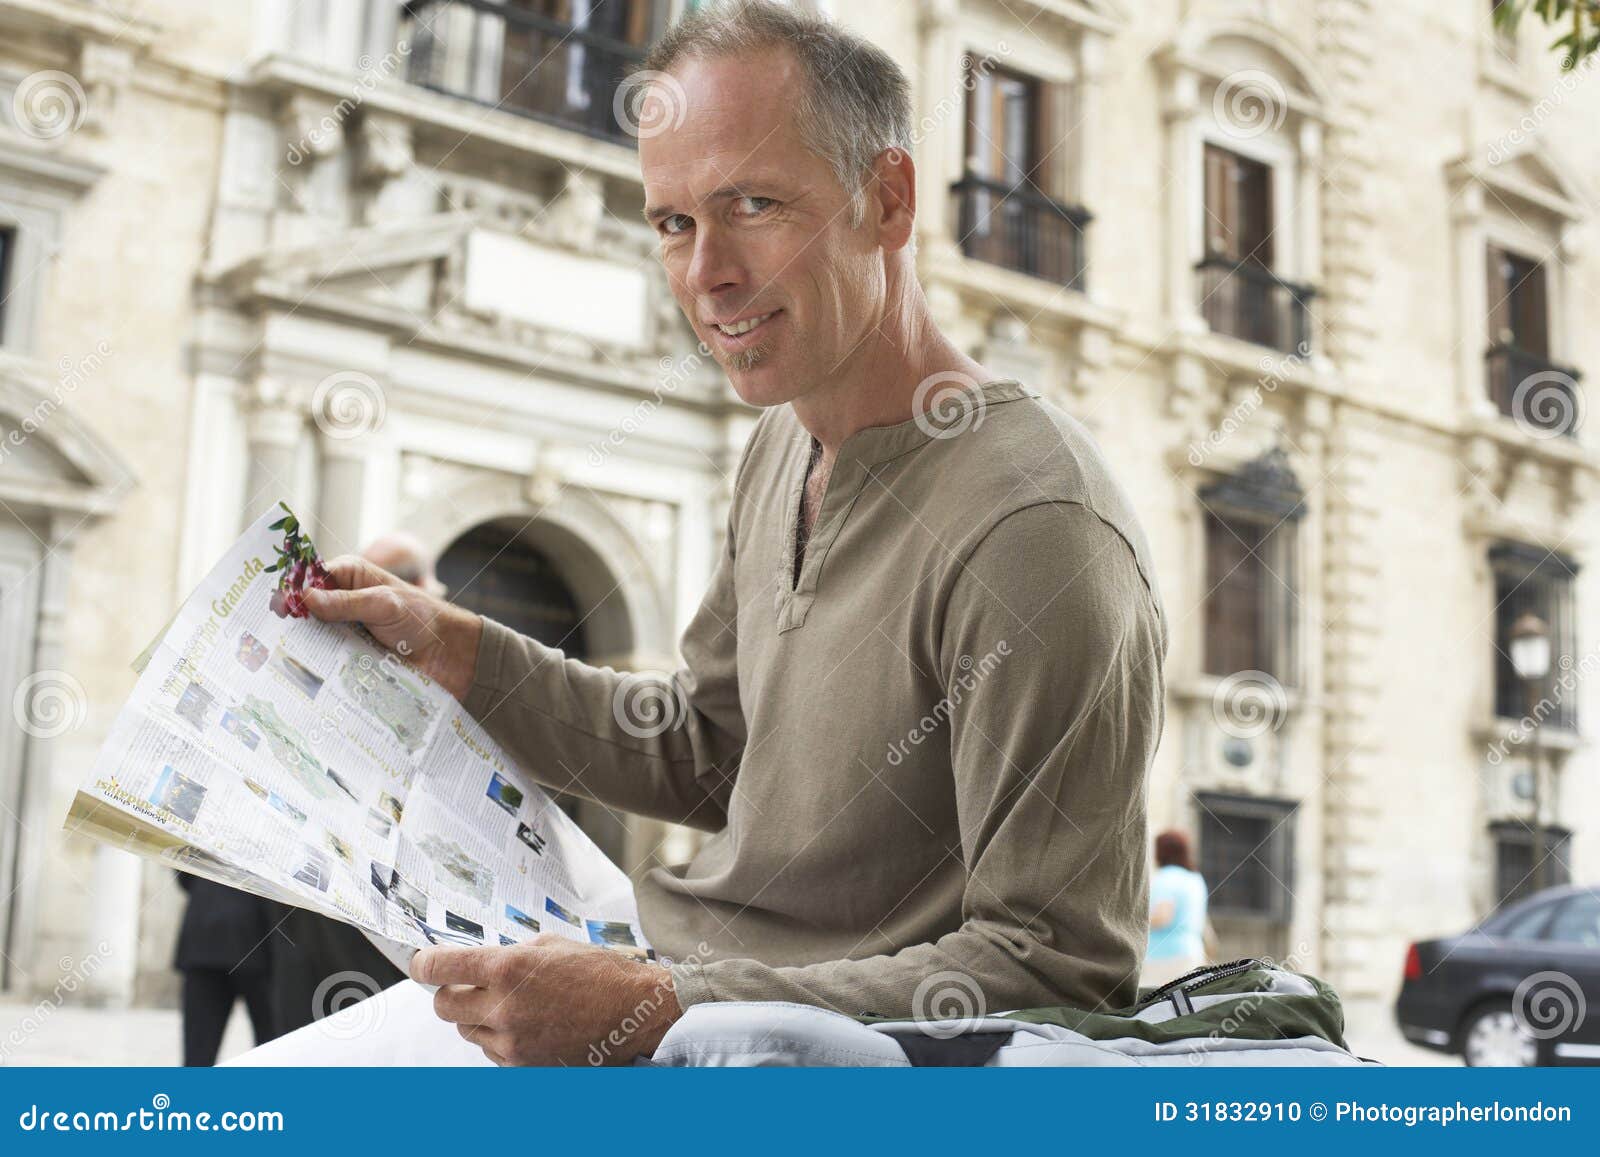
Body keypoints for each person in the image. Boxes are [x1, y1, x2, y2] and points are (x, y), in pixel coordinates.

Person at [305, 0, 1168, 1066]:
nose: (705, 275)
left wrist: (658, 1006)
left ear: (887, 199)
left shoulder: (1038, 530)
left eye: (753, 204)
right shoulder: (780, 446)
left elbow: (1052, 967)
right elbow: (706, 746)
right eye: (672, 222)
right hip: (671, 999)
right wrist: (451, 644)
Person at [269, 534, 436, 1034]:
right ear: (423, 585)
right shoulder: (431, 670)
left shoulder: (323, 657)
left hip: (310, 911)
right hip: (379, 924)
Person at [173, 873, 280, 1065]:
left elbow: (183, 873)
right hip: (260, 939)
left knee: (198, 1055)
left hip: (205, 934)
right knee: (271, 1048)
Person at [1141, 830, 1210, 990]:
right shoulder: (1195, 879)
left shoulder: (1166, 878)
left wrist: (1131, 922)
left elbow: (1163, 917)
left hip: (1165, 957)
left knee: (1154, 1009)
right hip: (1192, 952)